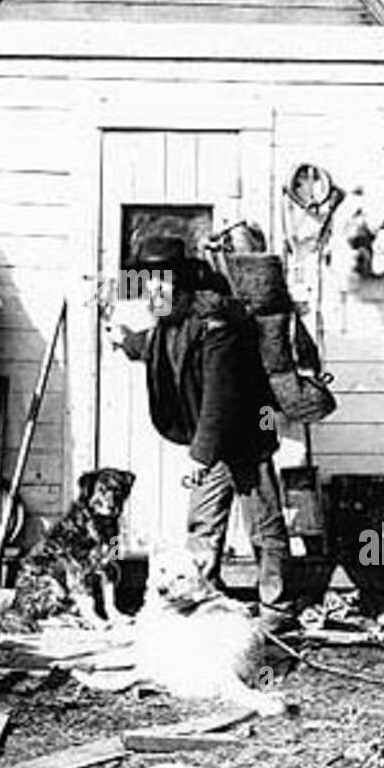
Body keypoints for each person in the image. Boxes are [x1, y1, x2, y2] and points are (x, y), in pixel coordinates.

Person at [109, 234, 299, 631]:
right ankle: (204, 606)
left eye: (155, 283)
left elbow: (220, 397)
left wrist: (199, 457)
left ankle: (277, 610)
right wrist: (126, 340)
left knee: (263, 528)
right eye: (146, 283)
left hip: (245, 438)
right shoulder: (173, 320)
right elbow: (157, 347)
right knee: (203, 528)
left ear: (178, 284)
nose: (149, 293)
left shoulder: (219, 325)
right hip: (211, 444)